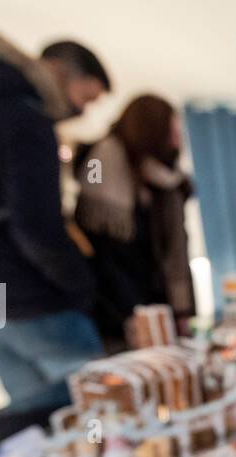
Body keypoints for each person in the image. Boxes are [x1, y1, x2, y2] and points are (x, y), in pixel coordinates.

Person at [0, 26, 111, 427]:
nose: (82, 111)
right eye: (84, 97)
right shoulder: (25, 120)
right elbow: (36, 227)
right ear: (56, 69)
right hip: (35, 299)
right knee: (100, 420)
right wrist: (82, 285)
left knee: (33, 421)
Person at [74, 94, 196, 350]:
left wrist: (182, 310)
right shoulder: (103, 163)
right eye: (171, 130)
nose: (177, 138)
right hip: (115, 311)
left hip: (160, 302)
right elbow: (104, 255)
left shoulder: (167, 180)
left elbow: (176, 249)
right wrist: (133, 313)